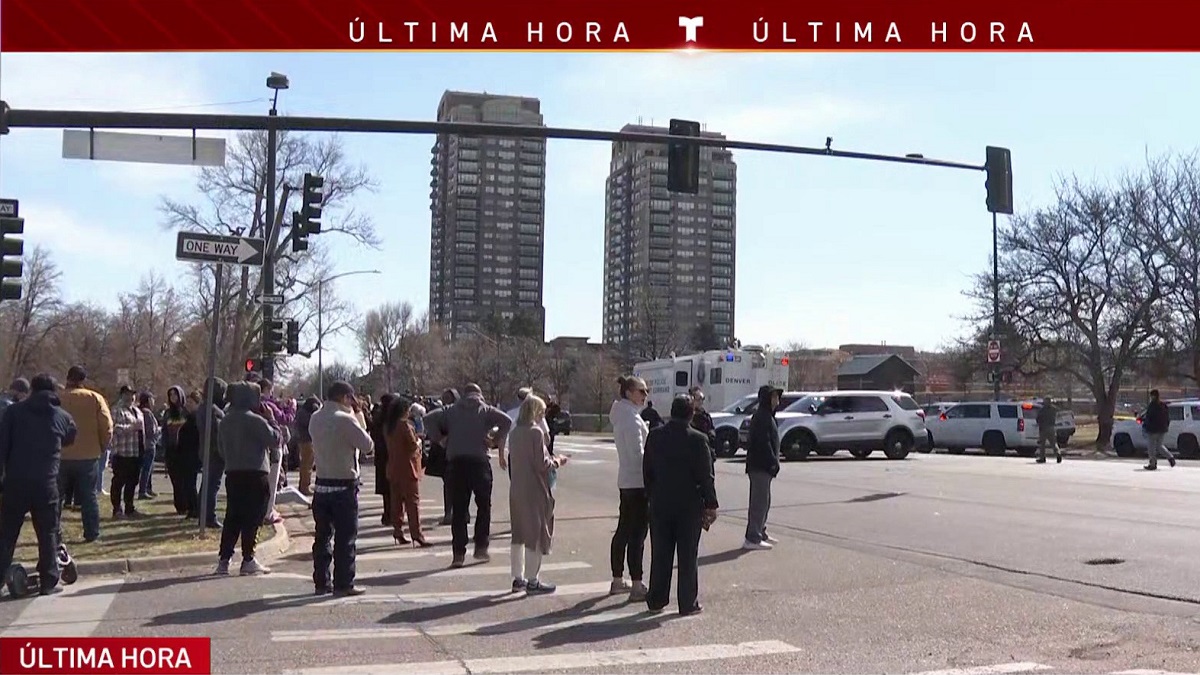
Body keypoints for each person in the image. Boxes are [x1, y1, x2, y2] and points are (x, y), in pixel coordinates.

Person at [0, 374, 78, 596]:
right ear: (54, 391)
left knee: (6, 533)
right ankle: (48, 580)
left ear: (32, 390)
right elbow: (71, 437)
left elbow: (2, 446)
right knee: (48, 533)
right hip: (47, 483)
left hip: (16, 482)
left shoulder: (13, 413)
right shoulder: (62, 416)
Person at [642, 395, 718, 616]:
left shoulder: (655, 436)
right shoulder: (698, 439)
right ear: (690, 413)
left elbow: (647, 469)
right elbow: (706, 476)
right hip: (688, 505)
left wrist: (651, 493)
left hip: (660, 502)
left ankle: (656, 598)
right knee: (687, 556)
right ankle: (687, 602)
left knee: (661, 553)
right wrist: (710, 503)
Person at [424, 383, 512, 569]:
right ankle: (481, 546)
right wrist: (495, 440)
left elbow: (428, 418)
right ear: (479, 395)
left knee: (459, 510)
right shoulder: (485, 410)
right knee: (483, 506)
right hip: (479, 462)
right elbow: (507, 421)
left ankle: (458, 554)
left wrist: (440, 439)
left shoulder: (450, 410)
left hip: (456, 464)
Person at [308, 381, 374, 596]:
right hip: (343, 484)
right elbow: (367, 444)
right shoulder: (346, 420)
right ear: (346, 397)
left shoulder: (315, 417)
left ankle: (321, 581)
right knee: (345, 538)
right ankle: (344, 582)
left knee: (322, 536)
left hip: (321, 483)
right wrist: (358, 416)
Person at [214, 381, 278, 576]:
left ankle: (224, 560)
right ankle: (248, 558)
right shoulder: (255, 420)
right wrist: (272, 420)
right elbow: (275, 439)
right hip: (256, 472)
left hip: (233, 472)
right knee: (254, 516)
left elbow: (220, 449)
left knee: (233, 516)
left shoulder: (225, 420)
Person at [508, 394, 569, 594]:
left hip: (517, 486)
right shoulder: (535, 433)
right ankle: (533, 580)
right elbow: (542, 464)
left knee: (518, 534)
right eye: (541, 412)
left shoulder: (515, 432)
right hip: (534, 488)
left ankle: (518, 578)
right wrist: (558, 461)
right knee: (535, 534)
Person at [57, 366, 113, 542]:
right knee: (89, 496)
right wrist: (101, 446)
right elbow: (107, 426)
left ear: (68, 378)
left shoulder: (57, 398)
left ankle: (53, 533)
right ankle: (91, 533)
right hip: (88, 455)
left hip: (60, 455)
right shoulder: (95, 398)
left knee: (56, 497)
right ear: (83, 380)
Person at [608, 375, 651, 600]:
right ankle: (636, 583)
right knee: (637, 534)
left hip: (627, 481)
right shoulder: (632, 419)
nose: (645, 395)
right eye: (641, 391)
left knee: (623, 530)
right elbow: (638, 454)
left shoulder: (624, 415)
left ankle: (617, 579)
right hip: (637, 482)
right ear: (628, 393)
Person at [385, 397, 431, 547]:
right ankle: (416, 534)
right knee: (413, 503)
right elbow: (412, 446)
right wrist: (418, 441)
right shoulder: (404, 425)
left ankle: (398, 530)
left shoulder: (388, 426)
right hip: (408, 468)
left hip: (393, 467)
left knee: (397, 502)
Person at [743, 385, 782, 550]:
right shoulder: (761, 417)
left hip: (765, 467)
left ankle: (761, 531)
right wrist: (773, 461)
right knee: (758, 502)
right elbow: (763, 444)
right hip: (759, 466)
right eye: (773, 396)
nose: (777, 400)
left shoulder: (769, 416)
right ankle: (752, 537)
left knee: (765, 501)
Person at [109, 385, 145, 519]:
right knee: (118, 482)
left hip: (136, 452)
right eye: (127, 394)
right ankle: (117, 509)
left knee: (133, 481)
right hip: (122, 453)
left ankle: (130, 507)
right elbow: (114, 428)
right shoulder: (117, 410)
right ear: (122, 395)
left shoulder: (137, 411)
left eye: (132, 394)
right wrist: (131, 427)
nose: (131, 397)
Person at [424, 389, 459, 526]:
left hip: (454, 452)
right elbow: (427, 419)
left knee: (456, 485)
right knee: (452, 485)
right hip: (448, 452)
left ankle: (455, 513)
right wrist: (440, 439)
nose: (445, 401)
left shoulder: (455, 412)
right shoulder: (444, 412)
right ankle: (450, 513)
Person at [198, 377, 228, 529]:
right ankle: (209, 516)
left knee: (207, 483)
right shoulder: (213, 410)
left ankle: (203, 513)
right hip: (214, 452)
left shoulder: (203, 407)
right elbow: (218, 432)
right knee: (212, 484)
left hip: (205, 450)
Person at [172, 390, 205, 519]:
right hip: (185, 454)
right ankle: (192, 508)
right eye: (188, 402)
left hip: (192, 454)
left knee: (190, 483)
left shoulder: (196, 418)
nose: (188, 405)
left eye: (191, 402)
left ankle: (194, 509)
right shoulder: (188, 416)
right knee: (187, 483)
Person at [160, 386, 191, 515]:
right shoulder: (168, 413)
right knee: (176, 480)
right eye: (171, 395)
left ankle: (188, 504)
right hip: (171, 451)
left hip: (185, 450)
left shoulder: (186, 412)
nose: (173, 397)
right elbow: (164, 432)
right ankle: (180, 506)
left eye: (175, 394)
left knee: (185, 479)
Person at [371, 393, 397, 528]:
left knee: (386, 490)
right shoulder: (393, 419)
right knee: (395, 488)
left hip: (381, 456)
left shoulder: (378, 417)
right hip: (392, 455)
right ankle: (394, 514)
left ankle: (387, 514)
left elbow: (373, 434)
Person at [1142, 389, 1176, 470]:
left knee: (1151, 448)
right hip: (1162, 429)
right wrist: (1166, 426)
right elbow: (1167, 417)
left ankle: (1153, 464)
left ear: (1153, 396)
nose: (1151, 397)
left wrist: (1146, 425)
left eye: (1151, 396)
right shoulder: (1163, 405)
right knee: (1159, 446)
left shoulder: (1152, 406)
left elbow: (1149, 417)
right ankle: (1170, 457)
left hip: (1153, 429)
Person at [294, 396, 321, 496]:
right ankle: (304, 486)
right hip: (307, 440)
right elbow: (311, 424)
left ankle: (304, 485)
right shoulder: (305, 414)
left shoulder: (302, 412)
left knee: (306, 464)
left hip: (305, 440)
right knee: (307, 465)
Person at [136, 391, 161, 500]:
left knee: (149, 468)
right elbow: (151, 430)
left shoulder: (139, 411)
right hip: (149, 444)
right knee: (147, 468)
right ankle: (143, 490)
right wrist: (159, 431)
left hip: (143, 444)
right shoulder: (147, 413)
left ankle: (148, 488)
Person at [1035, 397, 1062, 465]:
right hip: (1051, 427)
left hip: (1043, 428)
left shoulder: (1042, 410)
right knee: (1053, 443)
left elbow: (1038, 418)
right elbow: (1058, 413)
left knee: (1042, 444)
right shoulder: (1054, 409)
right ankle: (1058, 453)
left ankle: (1042, 458)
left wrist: (1039, 424)